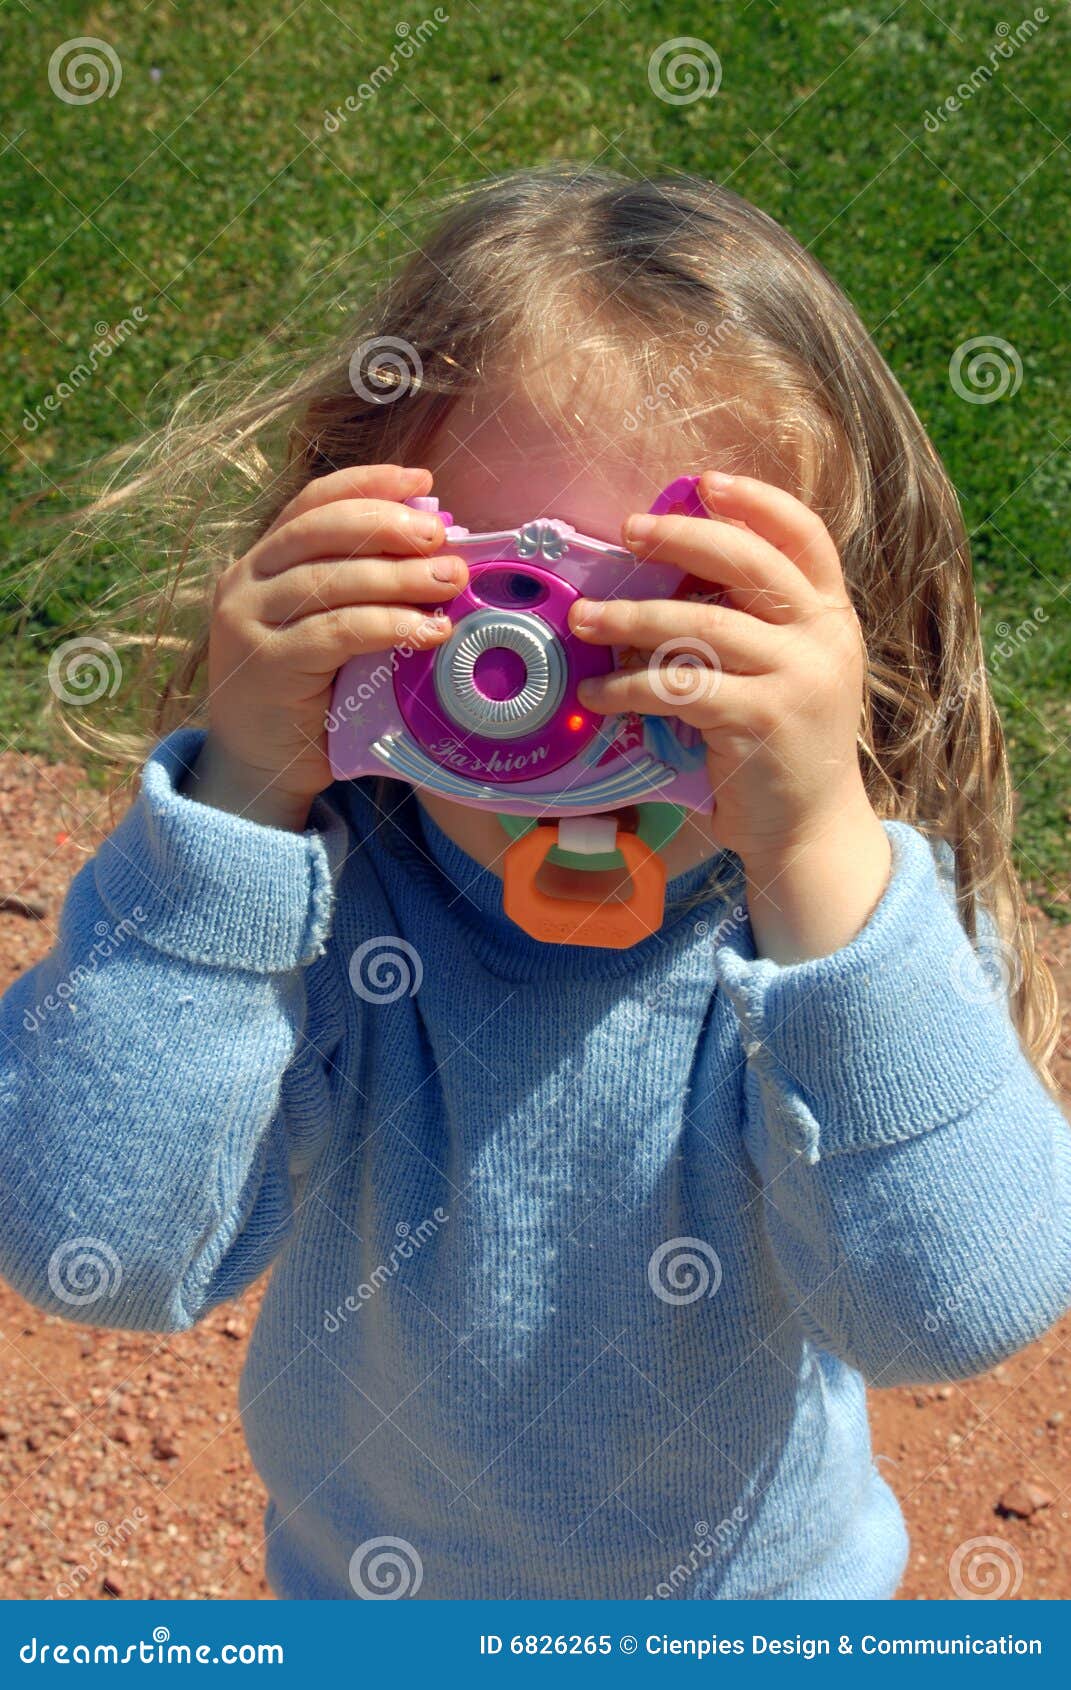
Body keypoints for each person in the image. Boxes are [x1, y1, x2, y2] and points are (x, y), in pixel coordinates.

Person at [1, 166, 1068, 1601]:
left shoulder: (837, 931)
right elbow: (95, 1249)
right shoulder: (329, 904)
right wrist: (242, 805)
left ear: (838, 632)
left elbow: (960, 1304)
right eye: (501, 621)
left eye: (686, 622)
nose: (581, 714)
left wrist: (817, 846)